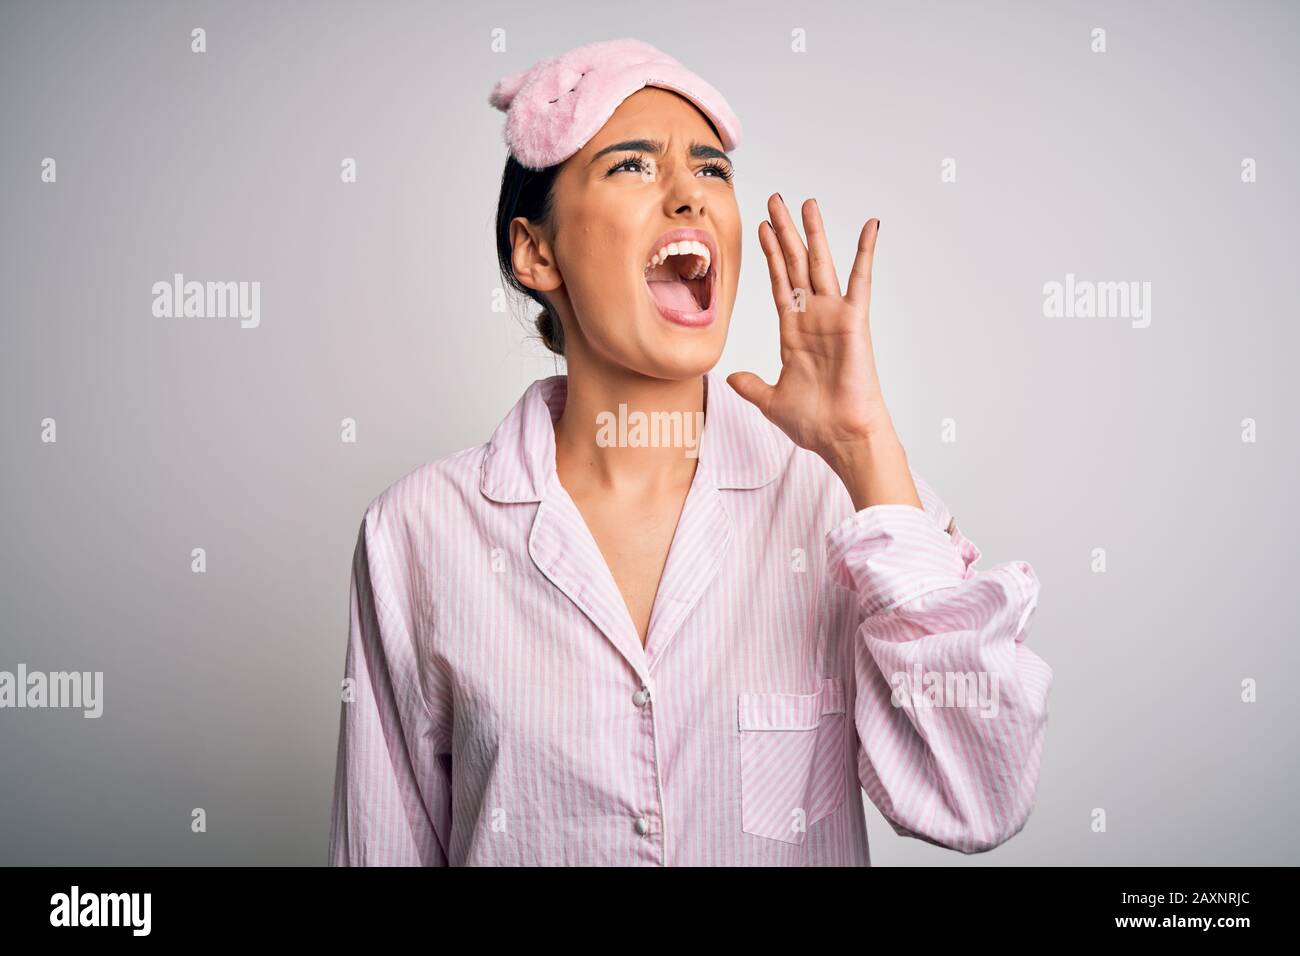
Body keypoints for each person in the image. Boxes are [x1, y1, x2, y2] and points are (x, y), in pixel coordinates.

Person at [328, 37, 1052, 866]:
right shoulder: (417, 534)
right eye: (633, 166)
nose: (689, 197)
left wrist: (864, 445)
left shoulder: (842, 501)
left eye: (712, 170)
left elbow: (982, 796)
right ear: (536, 253)